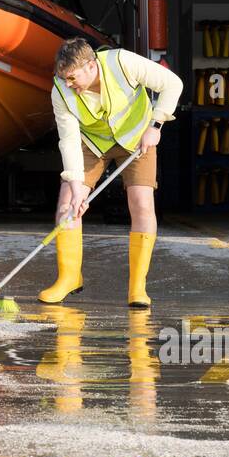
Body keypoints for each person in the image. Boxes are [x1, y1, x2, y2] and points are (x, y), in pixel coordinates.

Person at [41, 37, 184, 307]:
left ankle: (137, 288)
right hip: (92, 142)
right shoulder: (60, 91)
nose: (69, 85)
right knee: (66, 206)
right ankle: (69, 278)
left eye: (73, 78)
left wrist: (156, 125)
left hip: (137, 137)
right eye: (64, 79)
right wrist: (75, 188)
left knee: (141, 204)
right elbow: (69, 140)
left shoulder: (122, 62)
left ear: (91, 66)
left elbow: (172, 84)